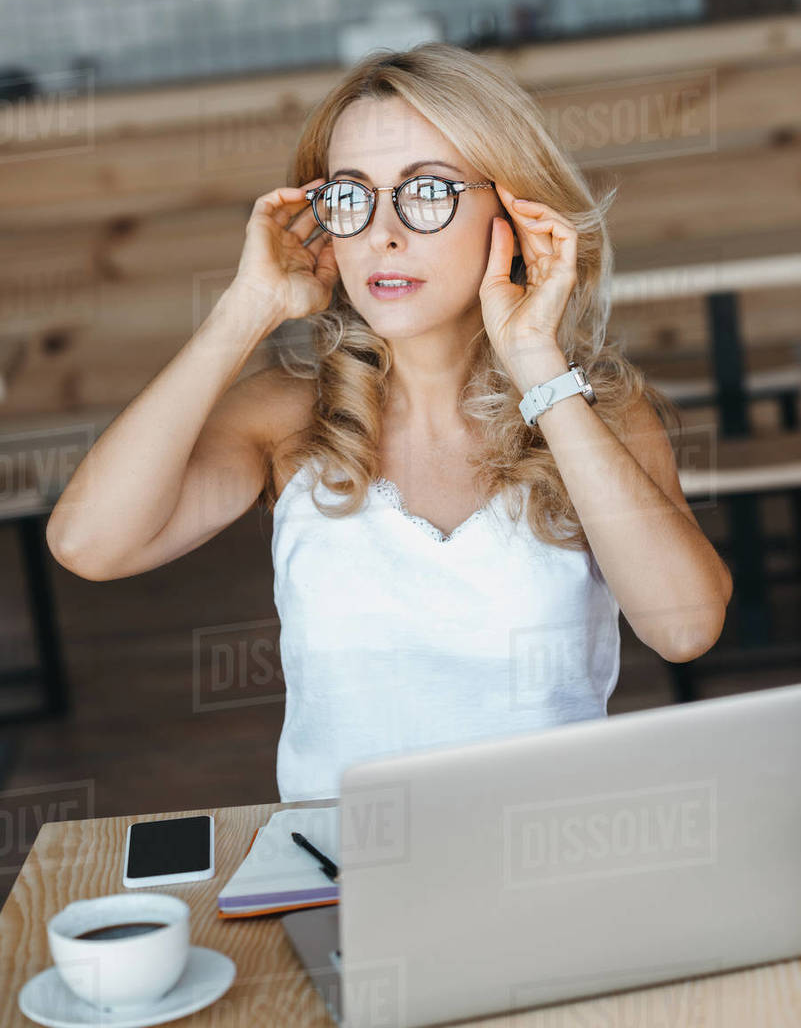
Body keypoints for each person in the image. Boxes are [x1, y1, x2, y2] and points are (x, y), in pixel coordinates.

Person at [46, 42, 733, 803]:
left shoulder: (591, 411)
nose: (382, 233)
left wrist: (536, 360)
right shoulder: (286, 415)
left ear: (511, 211)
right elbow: (89, 545)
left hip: (546, 859)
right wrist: (246, 307)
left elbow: (684, 629)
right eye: (351, 195)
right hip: (345, 872)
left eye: (428, 191)